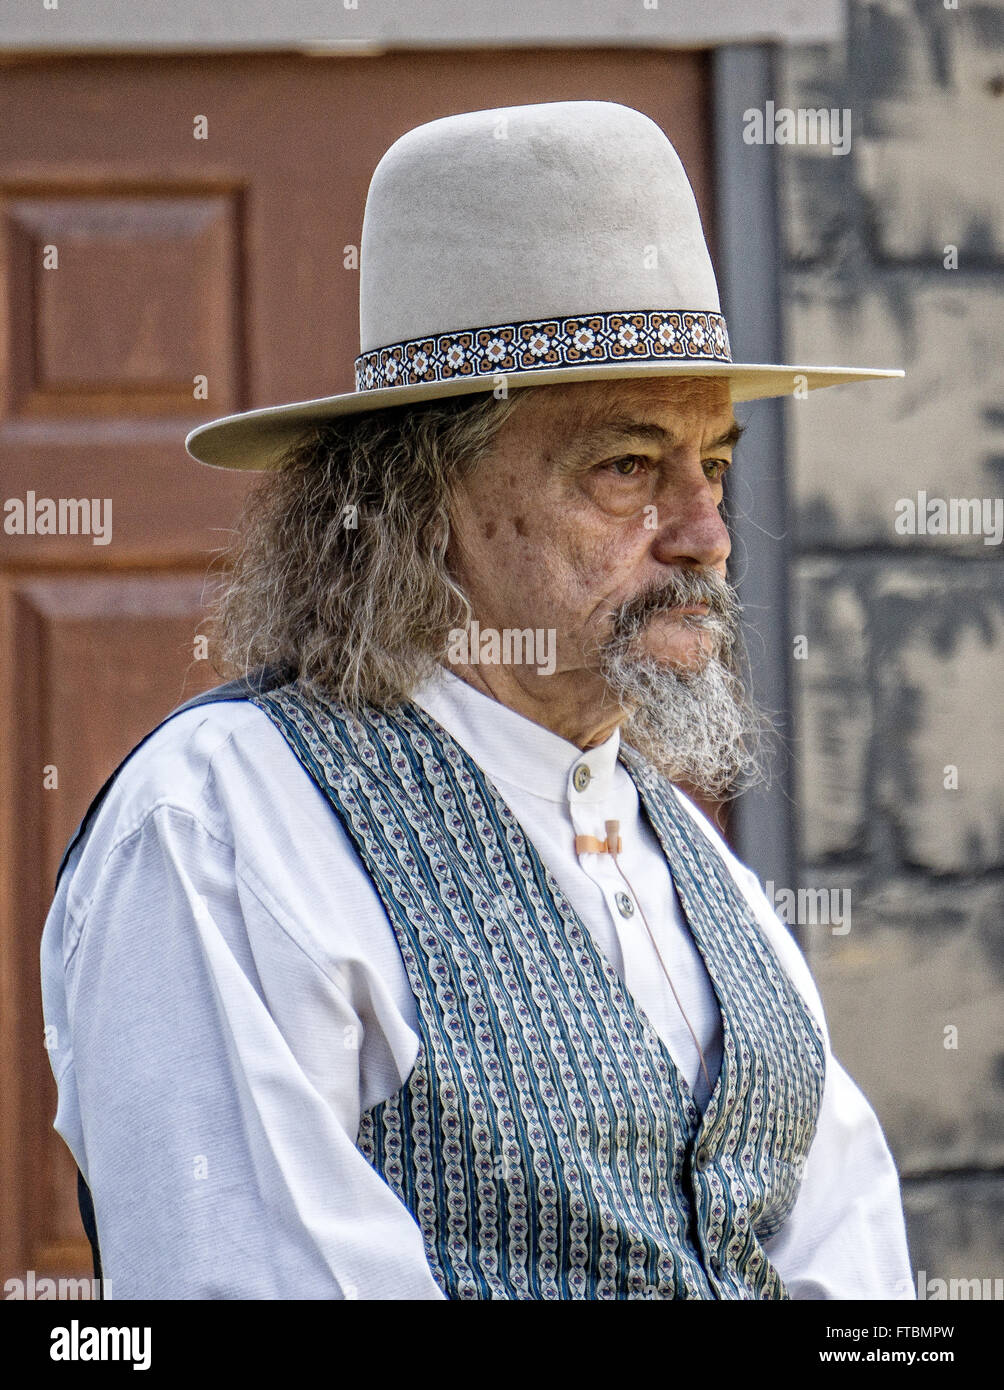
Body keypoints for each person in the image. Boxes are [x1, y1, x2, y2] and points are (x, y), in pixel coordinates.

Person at [41, 100, 914, 1300]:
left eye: (710, 464)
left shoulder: (696, 871)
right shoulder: (224, 825)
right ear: (420, 494)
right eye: (624, 466)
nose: (705, 534)